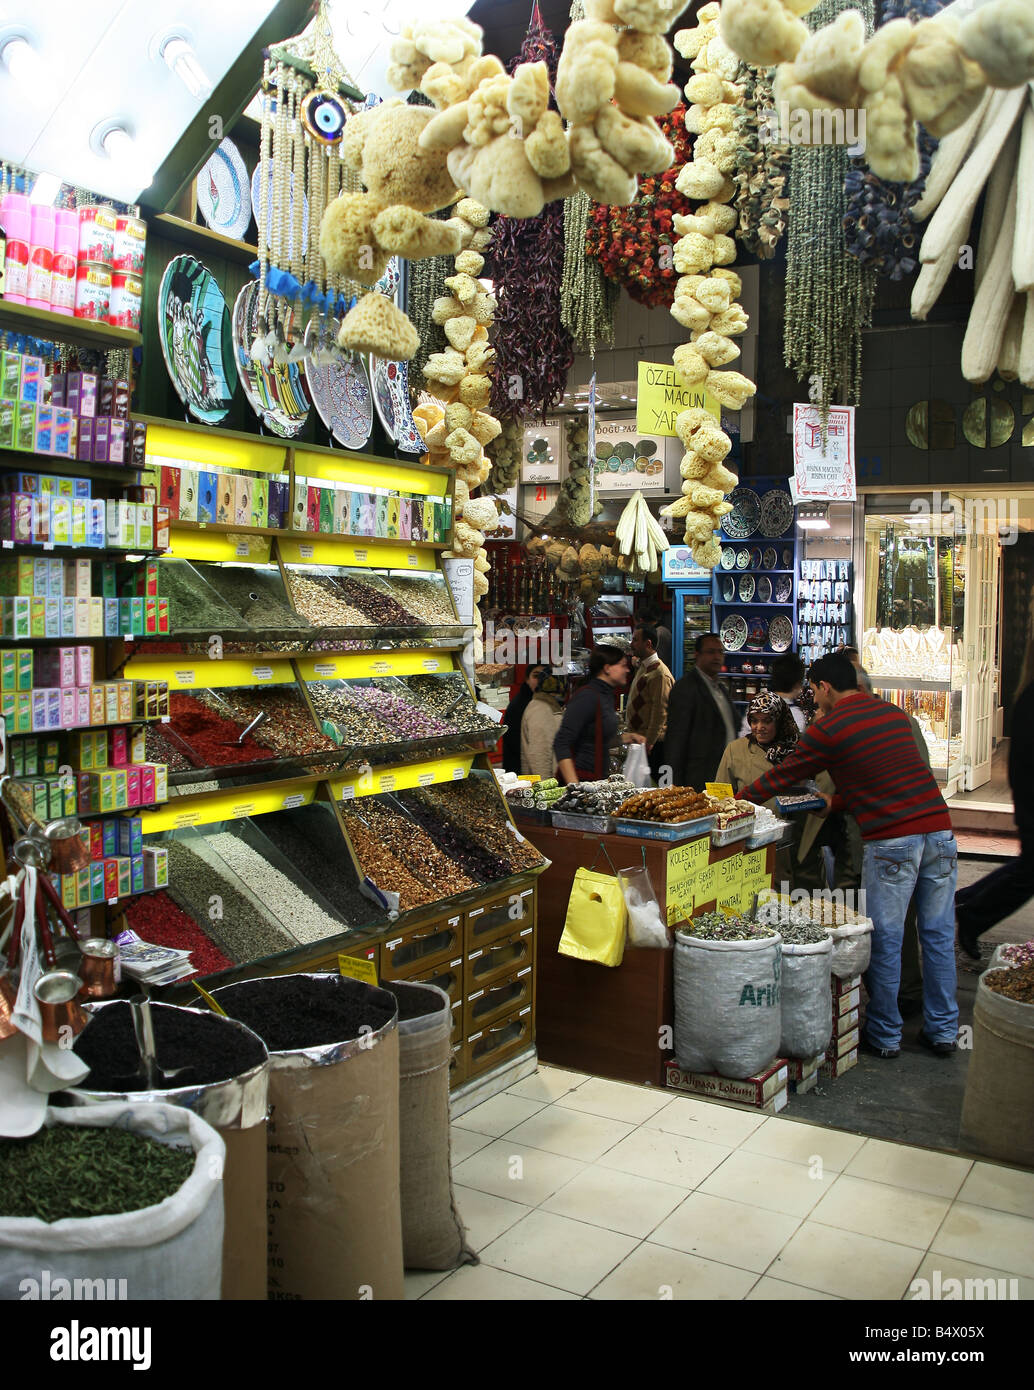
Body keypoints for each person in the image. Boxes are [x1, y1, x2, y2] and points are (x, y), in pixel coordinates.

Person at [739, 652, 959, 1061]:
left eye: (814, 690)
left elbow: (783, 776)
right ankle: (944, 1030)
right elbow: (881, 780)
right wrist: (835, 802)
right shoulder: (893, 714)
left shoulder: (830, 727)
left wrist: (733, 801)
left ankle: (885, 1034)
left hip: (894, 840)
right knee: (938, 933)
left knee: (888, 938)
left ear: (824, 687)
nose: (813, 697)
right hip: (940, 832)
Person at [955, 642, 1034, 959]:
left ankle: (970, 902)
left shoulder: (1027, 695)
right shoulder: (1030, 698)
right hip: (1031, 801)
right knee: (1027, 872)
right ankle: (972, 911)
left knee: (1027, 869)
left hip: (1028, 799)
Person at [715, 691, 834, 890]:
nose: (759, 728)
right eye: (754, 721)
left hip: (799, 836)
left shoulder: (800, 747)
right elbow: (722, 795)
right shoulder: (736, 750)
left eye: (767, 721)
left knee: (804, 896)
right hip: (755, 841)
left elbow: (824, 782)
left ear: (779, 720)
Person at [554, 640, 645, 784]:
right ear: (607, 668)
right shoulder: (587, 697)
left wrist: (626, 738)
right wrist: (575, 787)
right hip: (583, 779)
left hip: (596, 780)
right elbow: (561, 743)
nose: (627, 670)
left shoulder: (606, 695)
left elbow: (596, 739)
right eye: (622, 665)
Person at [663, 633, 737, 790]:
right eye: (711, 652)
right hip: (698, 777)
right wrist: (675, 784)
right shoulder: (686, 688)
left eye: (720, 652)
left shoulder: (721, 688)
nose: (717, 657)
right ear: (697, 654)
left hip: (723, 774)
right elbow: (676, 740)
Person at [627, 623, 675, 782]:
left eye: (635, 640)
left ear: (648, 644)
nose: (631, 644)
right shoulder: (644, 667)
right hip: (642, 742)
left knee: (654, 790)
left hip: (654, 746)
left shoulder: (660, 674)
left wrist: (649, 742)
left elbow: (660, 712)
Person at [500, 665, 545, 774]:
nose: (540, 680)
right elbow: (515, 741)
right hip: (521, 770)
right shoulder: (520, 704)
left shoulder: (541, 701)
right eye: (535, 676)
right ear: (527, 679)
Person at [521, 674, 564, 780]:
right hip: (547, 784)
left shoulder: (550, 706)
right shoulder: (540, 709)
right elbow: (539, 755)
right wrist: (546, 787)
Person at [638, 604, 672, 669]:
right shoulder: (663, 630)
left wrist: (637, 662)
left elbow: (656, 658)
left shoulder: (658, 633)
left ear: (642, 621)